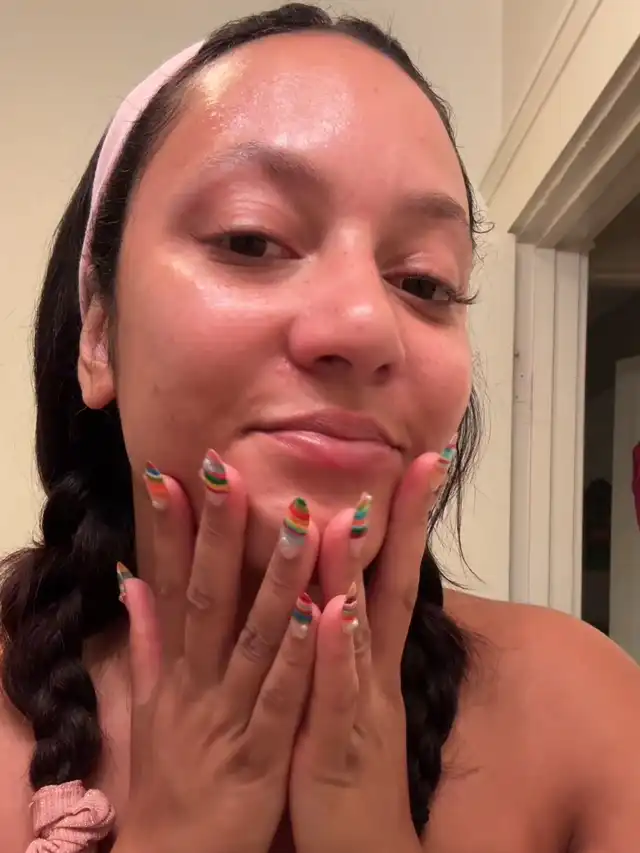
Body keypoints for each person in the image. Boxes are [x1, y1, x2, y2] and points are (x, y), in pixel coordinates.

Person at [1, 4, 639, 852]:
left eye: (424, 282)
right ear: (98, 333)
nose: (365, 324)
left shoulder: (590, 717)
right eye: (251, 238)